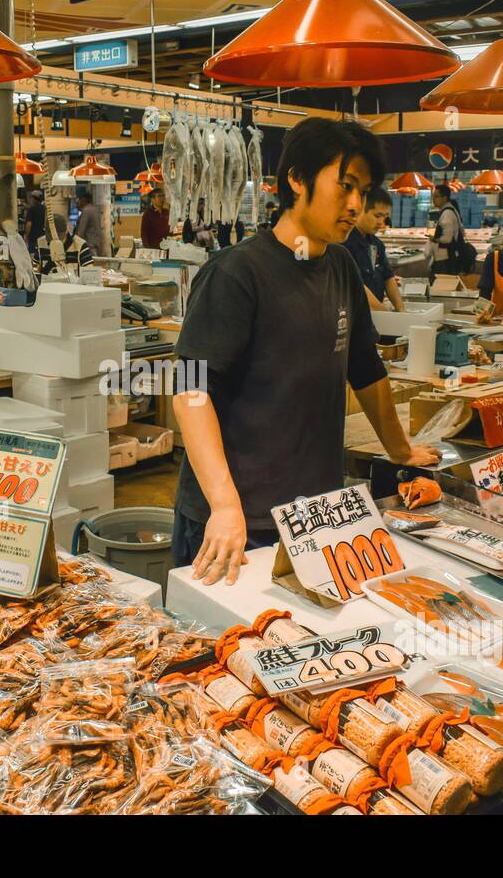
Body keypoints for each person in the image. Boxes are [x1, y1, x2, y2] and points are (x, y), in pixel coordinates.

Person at [170, 117, 440, 582]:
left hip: (314, 516)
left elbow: (366, 368)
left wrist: (400, 451)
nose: (355, 204)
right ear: (296, 179)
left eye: (364, 190)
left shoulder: (340, 267)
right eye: (345, 186)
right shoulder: (237, 273)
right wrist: (224, 505)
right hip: (237, 522)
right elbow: (190, 388)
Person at [342, 185, 404, 312]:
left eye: (385, 216)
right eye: (377, 216)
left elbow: (388, 278)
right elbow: (356, 286)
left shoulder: (377, 244)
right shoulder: (345, 243)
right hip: (354, 315)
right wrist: (384, 311)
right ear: (360, 209)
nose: (381, 222)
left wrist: (401, 310)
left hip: (377, 314)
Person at [426, 182, 465, 276]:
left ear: (444, 198)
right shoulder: (448, 211)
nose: (433, 199)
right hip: (446, 258)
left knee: (441, 286)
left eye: (436, 196)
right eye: (433, 196)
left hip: (444, 259)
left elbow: (447, 239)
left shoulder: (447, 214)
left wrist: (433, 238)